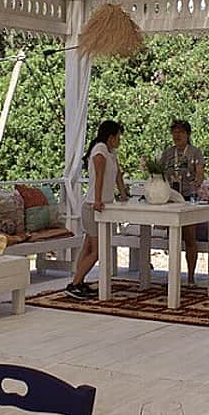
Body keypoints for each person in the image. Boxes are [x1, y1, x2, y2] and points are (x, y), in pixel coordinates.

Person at [66, 120, 127, 300]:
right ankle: (74, 283)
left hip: (102, 206)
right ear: (111, 137)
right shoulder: (99, 150)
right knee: (97, 250)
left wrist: (122, 193)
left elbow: (117, 175)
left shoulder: (110, 153)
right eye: (118, 137)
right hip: (93, 206)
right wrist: (98, 201)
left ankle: (80, 280)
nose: (119, 140)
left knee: (88, 246)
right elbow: (99, 177)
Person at [158, 120, 206, 287]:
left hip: (187, 198)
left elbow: (200, 172)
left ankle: (191, 277)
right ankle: (173, 275)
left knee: (190, 238)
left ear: (188, 134)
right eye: (174, 132)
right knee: (173, 239)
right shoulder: (167, 153)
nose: (177, 136)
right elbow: (159, 173)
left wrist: (197, 181)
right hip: (170, 199)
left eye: (180, 132)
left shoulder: (195, 152)